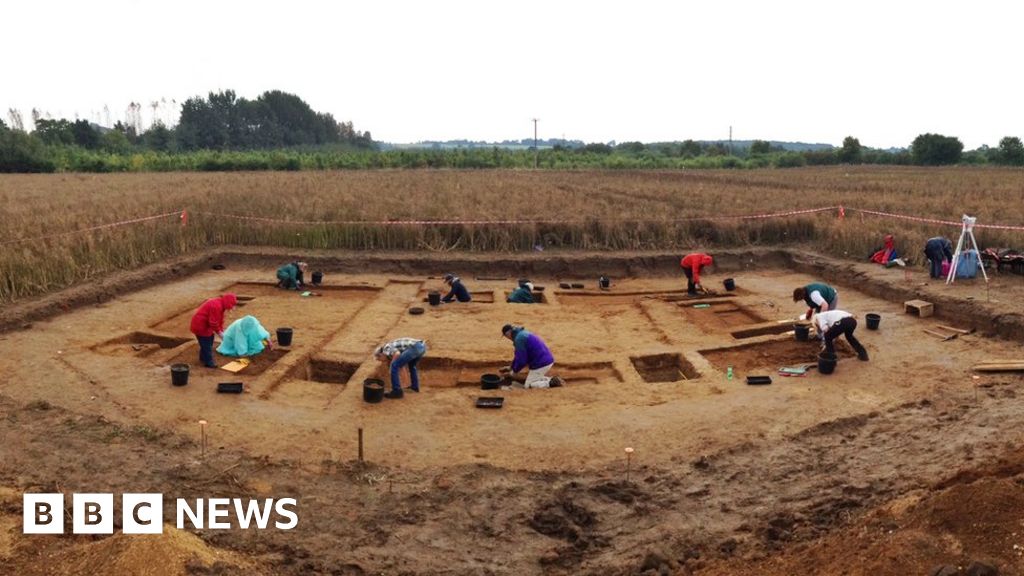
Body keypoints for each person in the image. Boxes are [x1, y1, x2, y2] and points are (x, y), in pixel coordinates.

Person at [501, 324, 563, 389]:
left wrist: (512, 373)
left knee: (529, 385)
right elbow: (518, 356)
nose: (507, 338)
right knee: (535, 378)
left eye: (506, 336)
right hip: (546, 359)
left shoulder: (519, 339)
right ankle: (553, 379)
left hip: (541, 364)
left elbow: (522, 361)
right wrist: (511, 367)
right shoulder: (521, 333)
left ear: (508, 333)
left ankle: (551, 383)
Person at [189, 293, 238, 368]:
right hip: (200, 326)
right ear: (228, 302)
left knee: (209, 340)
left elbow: (219, 320)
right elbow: (213, 322)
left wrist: (221, 331)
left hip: (205, 326)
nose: (231, 308)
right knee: (206, 344)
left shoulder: (221, 304)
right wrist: (219, 333)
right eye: (231, 305)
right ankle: (209, 362)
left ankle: (203, 357)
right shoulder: (216, 306)